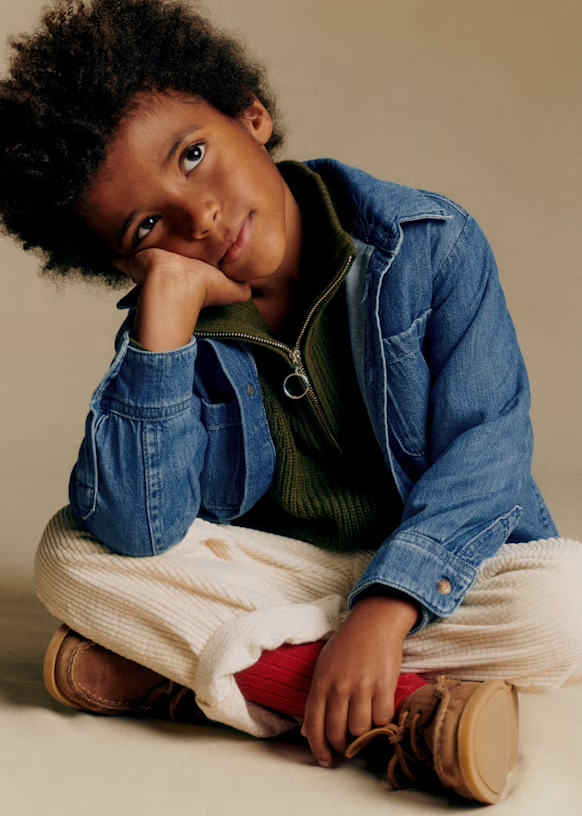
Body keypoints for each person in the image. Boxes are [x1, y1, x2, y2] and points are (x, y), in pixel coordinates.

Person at [1, 0, 581, 805]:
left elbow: (488, 451)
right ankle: (403, 711)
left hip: (437, 572)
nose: (199, 216)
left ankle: (187, 677)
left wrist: (385, 607)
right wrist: (164, 328)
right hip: (279, 574)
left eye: (194, 155)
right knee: (69, 556)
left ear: (252, 115)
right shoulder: (169, 333)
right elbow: (141, 528)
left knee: (565, 601)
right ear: (125, 266)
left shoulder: (431, 243)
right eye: (147, 226)